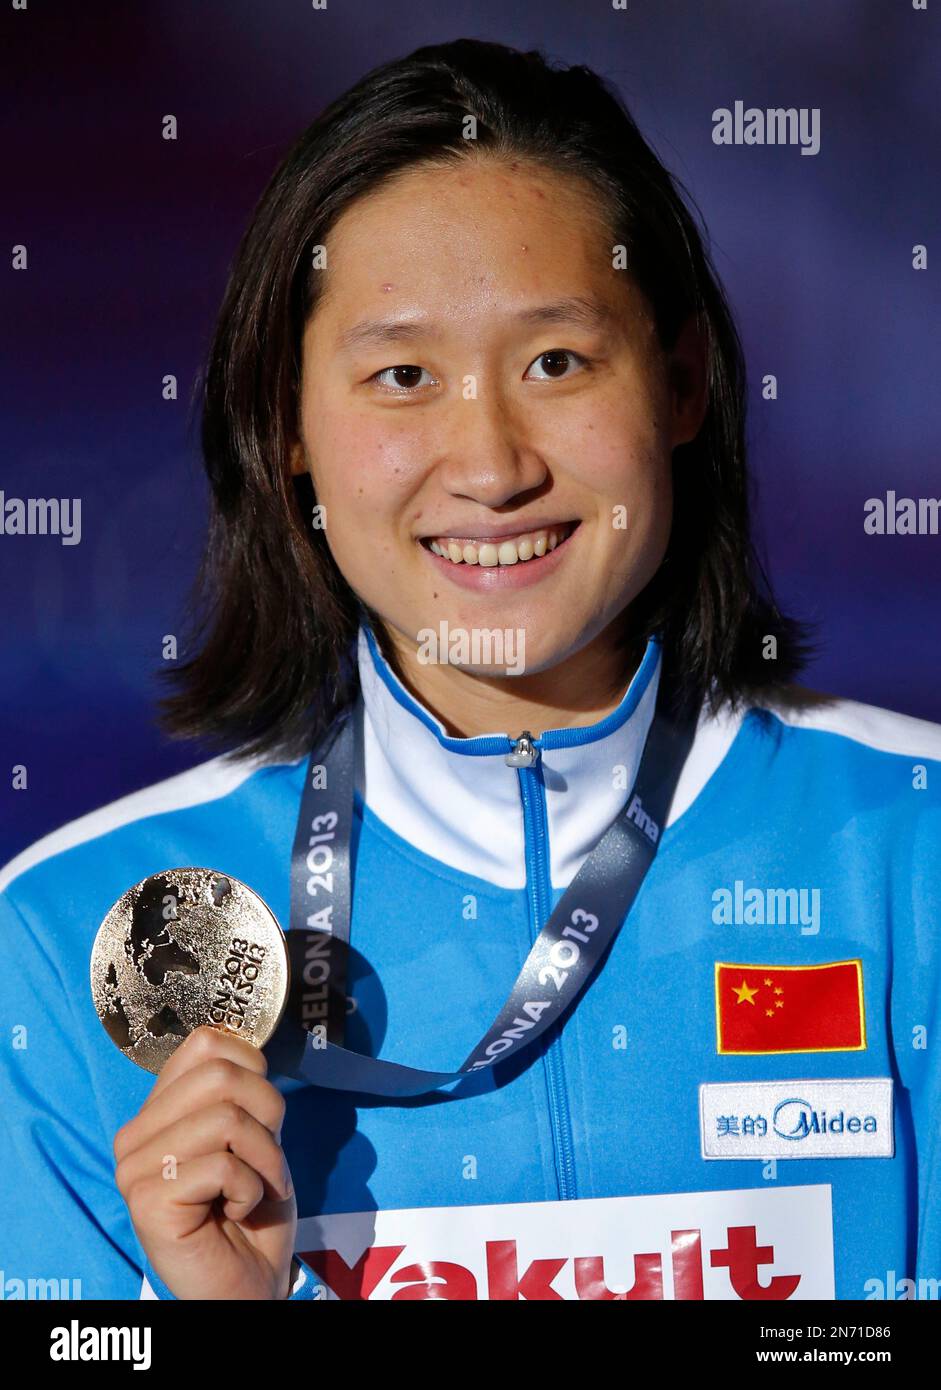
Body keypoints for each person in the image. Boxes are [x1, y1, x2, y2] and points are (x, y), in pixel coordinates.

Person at [1, 37, 939, 1303]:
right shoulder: (59, 944)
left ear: (682, 381)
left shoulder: (909, 846)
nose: (490, 465)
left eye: (555, 362)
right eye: (400, 377)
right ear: (285, 426)